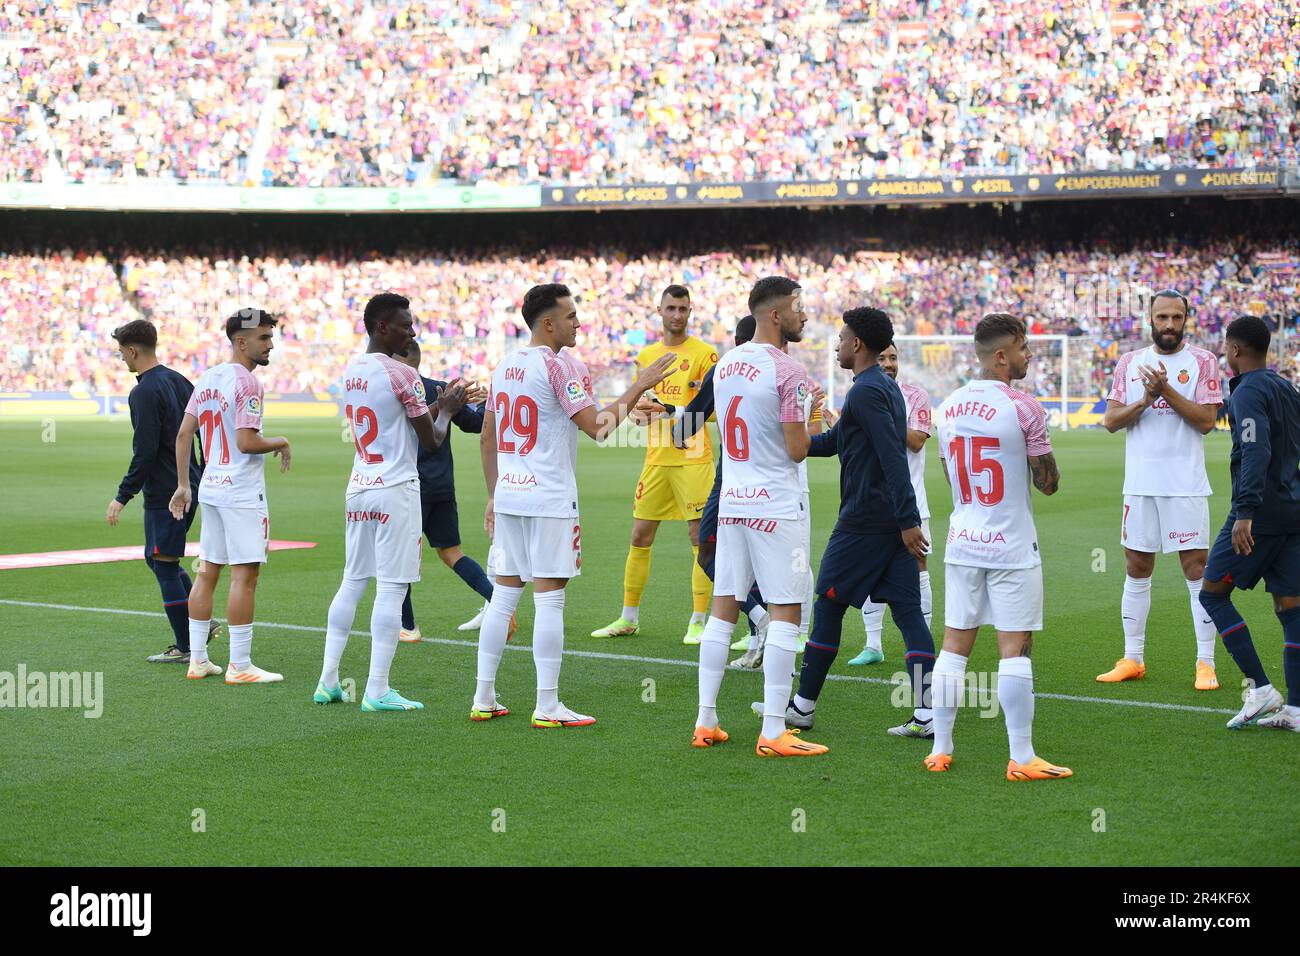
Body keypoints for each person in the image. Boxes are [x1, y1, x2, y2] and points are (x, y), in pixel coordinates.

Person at [472, 283, 676, 727]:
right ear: (548, 323)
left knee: (503, 598)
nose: (578, 322)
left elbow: (488, 436)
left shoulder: (505, 365)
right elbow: (598, 428)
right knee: (549, 601)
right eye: (570, 316)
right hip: (547, 496)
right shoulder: (556, 367)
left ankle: (483, 697)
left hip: (510, 494)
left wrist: (494, 492)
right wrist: (638, 385)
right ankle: (547, 705)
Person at [776, 308, 934, 737]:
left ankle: (802, 708)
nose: (836, 344)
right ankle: (926, 714)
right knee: (909, 615)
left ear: (858, 345)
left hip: (865, 523)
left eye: (842, 337)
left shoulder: (867, 391)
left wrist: (908, 520)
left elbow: (891, 456)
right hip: (886, 523)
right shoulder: (879, 388)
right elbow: (836, 443)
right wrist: (794, 436)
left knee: (827, 604)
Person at [930, 312, 1071, 780]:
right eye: (1023, 348)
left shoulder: (946, 407)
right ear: (1000, 355)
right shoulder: (1023, 406)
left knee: (954, 645)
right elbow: (1047, 483)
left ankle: (941, 748)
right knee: (1014, 648)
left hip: (962, 539)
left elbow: (951, 476)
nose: (1029, 355)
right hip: (1009, 543)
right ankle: (1022, 756)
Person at [691, 275, 827, 757]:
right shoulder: (787, 370)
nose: (804, 315)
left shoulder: (727, 365)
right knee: (787, 611)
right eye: (798, 307)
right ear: (776, 315)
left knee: (722, 609)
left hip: (733, 501)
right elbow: (796, 449)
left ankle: (706, 720)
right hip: (775, 503)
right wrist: (815, 421)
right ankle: (773, 730)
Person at [314, 294, 467, 711]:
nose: (411, 331)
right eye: (404, 324)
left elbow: (395, 417)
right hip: (396, 488)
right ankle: (377, 689)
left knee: (352, 581)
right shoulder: (402, 373)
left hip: (360, 484)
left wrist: (439, 403)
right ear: (382, 327)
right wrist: (449, 410)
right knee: (393, 587)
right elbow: (431, 440)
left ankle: (329, 680)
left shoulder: (353, 369)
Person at [1098, 291, 1224, 690]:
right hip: (1139, 486)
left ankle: (1206, 663)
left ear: (1187, 318)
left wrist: (1166, 391)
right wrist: (1146, 398)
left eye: (1176, 317)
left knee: (1196, 571)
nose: (1169, 324)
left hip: (1185, 485)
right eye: (1162, 317)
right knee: (1137, 568)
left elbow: (1206, 421)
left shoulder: (1203, 361)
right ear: (1149, 318)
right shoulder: (1130, 362)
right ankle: (1132, 658)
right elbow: (1111, 421)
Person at [592, 285, 719, 643]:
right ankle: (628, 617)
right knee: (640, 535)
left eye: (682, 308)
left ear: (690, 311)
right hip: (657, 459)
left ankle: (698, 620)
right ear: (659, 311)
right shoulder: (646, 356)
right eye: (670, 308)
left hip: (694, 459)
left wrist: (673, 412)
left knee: (700, 539)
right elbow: (638, 410)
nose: (676, 315)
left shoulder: (705, 355)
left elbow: (712, 410)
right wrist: (639, 417)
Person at [170, 309, 291, 683]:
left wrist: (183, 484)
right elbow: (247, 441)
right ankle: (240, 665)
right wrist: (282, 441)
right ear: (242, 342)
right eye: (264, 338)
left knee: (207, 572)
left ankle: (199, 660)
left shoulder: (208, 378)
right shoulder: (248, 383)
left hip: (211, 486)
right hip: (240, 491)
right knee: (245, 575)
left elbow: (183, 434)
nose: (270, 344)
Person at [1197, 316, 1300, 732]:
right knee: (1291, 608)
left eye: (1226, 347)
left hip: (1261, 515)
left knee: (1213, 594)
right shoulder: (1286, 387)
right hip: (1292, 511)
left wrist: (1245, 512)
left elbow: (1254, 451)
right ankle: (1295, 710)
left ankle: (1259, 688)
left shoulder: (1249, 392)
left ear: (1235, 349)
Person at [656, 315, 770, 667]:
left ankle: (761, 619)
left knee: (709, 553)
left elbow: (692, 420)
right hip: (775, 483)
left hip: (732, 479)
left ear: (737, 340)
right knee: (762, 565)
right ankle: (761, 639)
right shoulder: (782, 370)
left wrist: (675, 429)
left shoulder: (725, 370)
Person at [107, 319, 216, 663]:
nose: (121, 358)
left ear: (133, 350)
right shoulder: (180, 380)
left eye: (121, 352)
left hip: (168, 492)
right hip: (189, 482)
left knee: (165, 562)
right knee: (157, 558)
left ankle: (187, 646)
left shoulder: (143, 392)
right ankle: (203, 621)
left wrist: (123, 495)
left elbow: (146, 450)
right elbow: (201, 431)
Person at [391, 340, 496, 643]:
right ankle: (499, 604)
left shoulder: (392, 392)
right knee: (451, 553)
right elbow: (477, 425)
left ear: (401, 360)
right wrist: (486, 404)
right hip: (442, 487)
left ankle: (408, 626)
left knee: (401, 558)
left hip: (410, 488)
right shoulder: (441, 389)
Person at [851, 342, 935, 666]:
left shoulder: (915, 396)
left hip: (911, 503)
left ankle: (923, 640)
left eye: (893, 357)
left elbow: (915, 440)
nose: (888, 363)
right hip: (872, 504)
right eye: (882, 357)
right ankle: (873, 644)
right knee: (869, 570)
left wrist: (878, 416)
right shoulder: (861, 393)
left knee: (918, 569)